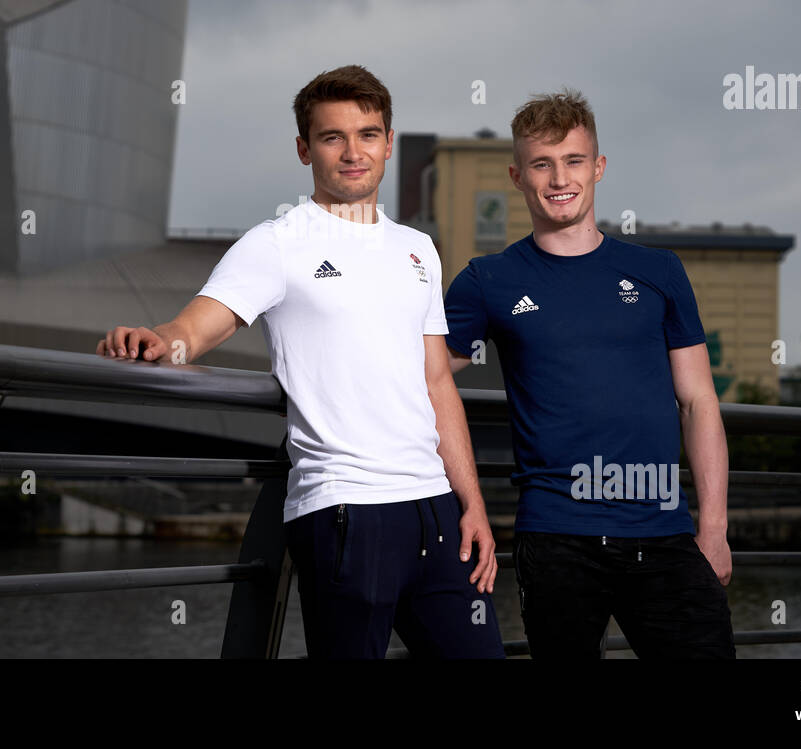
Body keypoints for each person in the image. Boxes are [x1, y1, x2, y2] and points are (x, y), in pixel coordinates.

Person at [98, 64, 503, 659]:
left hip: (436, 514)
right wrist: (159, 342)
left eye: (367, 134)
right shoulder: (276, 243)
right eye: (332, 137)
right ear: (304, 149)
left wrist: (472, 503)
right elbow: (196, 326)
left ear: (388, 143)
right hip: (345, 511)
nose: (352, 152)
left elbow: (437, 380)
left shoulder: (417, 249)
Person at [444, 88, 735, 659]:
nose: (559, 177)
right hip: (555, 536)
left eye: (573, 160)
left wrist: (715, 528)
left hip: (665, 533)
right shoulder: (487, 280)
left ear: (597, 167)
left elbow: (699, 401)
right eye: (542, 164)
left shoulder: (659, 271)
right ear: (518, 175)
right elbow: (422, 375)